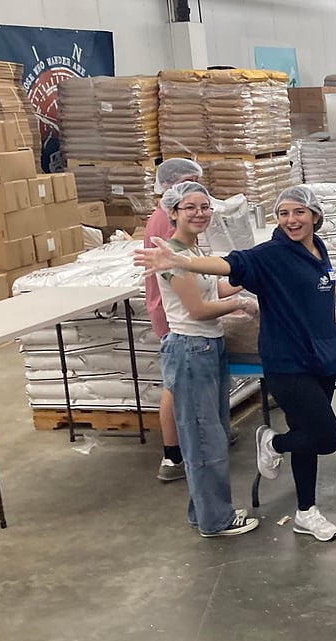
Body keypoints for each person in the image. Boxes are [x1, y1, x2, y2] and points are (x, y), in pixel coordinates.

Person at [134, 186, 336, 542]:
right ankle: (273, 443)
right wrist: (181, 262)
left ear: (315, 216)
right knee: (326, 437)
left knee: (307, 437)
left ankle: (306, 512)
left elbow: (312, 287)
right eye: (283, 213)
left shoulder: (318, 248)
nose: (291, 220)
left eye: (299, 212)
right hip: (288, 361)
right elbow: (231, 263)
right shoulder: (271, 253)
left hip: (322, 356)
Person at [153, 182, 259, 538]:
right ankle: (217, 520)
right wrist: (240, 304)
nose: (199, 213)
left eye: (204, 207)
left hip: (208, 346)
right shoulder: (170, 255)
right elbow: (198, 310)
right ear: (173, 212)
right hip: (190, 349)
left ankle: (205, 512)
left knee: (212, 433)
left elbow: (215, 289)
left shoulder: (193, 250)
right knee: (204, 440)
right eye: (190, 207)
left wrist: (250, 275)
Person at [145, 157, 203, 482]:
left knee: (185, 380)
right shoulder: (167, 224)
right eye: (185, 184)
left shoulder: (166, 217)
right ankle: (172, 455)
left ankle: (196, 437)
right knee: (175, 383)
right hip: (174, 313)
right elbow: (183, 280)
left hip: (176, 307)